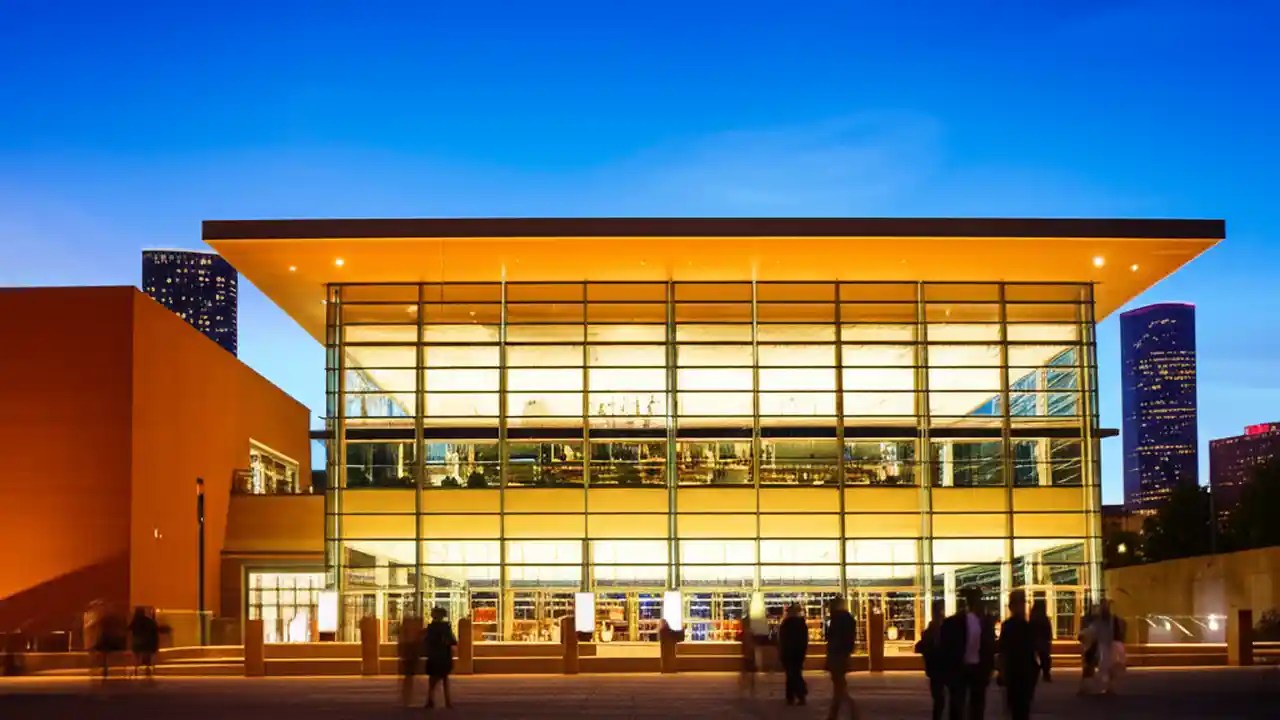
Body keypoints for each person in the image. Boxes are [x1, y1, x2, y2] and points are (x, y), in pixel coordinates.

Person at [941, 587, 995, 720]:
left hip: (977, 669)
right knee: (959, 705)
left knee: (975, 705)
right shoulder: (956, 622)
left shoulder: (985, 622)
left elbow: (989, 646)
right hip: (962, 668)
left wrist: (988, 668)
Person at [997, 590, 1041, 720]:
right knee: (1022, 710)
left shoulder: (1010, 626)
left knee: (1017, 710)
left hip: (1015, 673)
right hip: (1022, 673)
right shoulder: (1026, 626)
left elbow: (1003, 650)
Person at [824, 596, 860, 720]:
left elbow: (831, 638)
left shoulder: (837, 620)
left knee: (839, 686)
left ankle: (851, 712)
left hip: (837, 656)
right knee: (839, 686)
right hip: (842, 655)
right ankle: (835, 714)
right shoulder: (847, 619)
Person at [915, 600, 948, 720]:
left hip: (936, 668)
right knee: (941, 699)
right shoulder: (940, 628)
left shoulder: (933, 629)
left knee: (939, 699)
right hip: (940, 667)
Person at [422, 607, 457, 709]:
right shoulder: (445, 627)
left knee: (433, 680)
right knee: (444, 679)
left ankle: (431, 700)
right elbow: (452, 641)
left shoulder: (432, 628)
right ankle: (447, 701)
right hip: (443, 656)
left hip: (434, 656)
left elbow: (427, 641)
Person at [1091, 600, 1126, 694]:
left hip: (1108, 643)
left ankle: (1109, 686)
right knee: (1106, 666)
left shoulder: (1109, 619)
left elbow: (1104, 631)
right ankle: (1108, 686)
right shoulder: (1104, 619)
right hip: (1105, 643)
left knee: (1107, 666)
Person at [777, 603, 809, 706]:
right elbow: (804, 640)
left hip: (789, 653)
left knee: (791, 674)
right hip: (798, 653)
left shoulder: (786, 624)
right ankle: (796, 695)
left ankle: (795, 695)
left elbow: (782, 640)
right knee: (795, 673)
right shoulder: (801, 624)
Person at [128, 606, 160, 681]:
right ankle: (147, 667)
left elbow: (129, 629)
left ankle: (136, 666)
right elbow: (155, 631)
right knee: (146, 652)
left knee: (137, 651)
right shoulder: (149, 621)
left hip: (138, 643)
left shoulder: (135, 621)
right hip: (148, 643)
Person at [398, 616, 423, 706]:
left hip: (410, 652)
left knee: (408, 676)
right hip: (411, 652)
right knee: (409, 675)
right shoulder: (412, 636)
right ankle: (408, 697)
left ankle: (407, 697)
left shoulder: (406, 634)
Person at [1028, 599, 1053, 682]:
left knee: (1034, 658)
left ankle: (1034, 674)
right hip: (1043, 641)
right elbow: (1048, 630)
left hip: (1034, 641)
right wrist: (1049, 639)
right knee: (1045, 658)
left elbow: (1030, 630)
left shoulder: (1033, 617)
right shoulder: (1044, 618)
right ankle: (1046, 674)